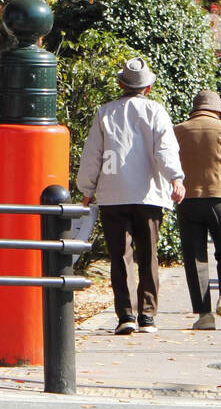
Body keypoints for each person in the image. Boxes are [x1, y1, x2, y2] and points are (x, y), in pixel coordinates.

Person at [77, 56, 185, 336]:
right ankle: (147, 316)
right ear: (147, 88)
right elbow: (165, 150)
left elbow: (93, 155)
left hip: (113, 194)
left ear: (120, 83)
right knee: (148, 256)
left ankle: (126, 315)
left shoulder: (106, 113)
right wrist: (176, 177)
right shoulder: (156, 112)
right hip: (149, 195)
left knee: (120, 257)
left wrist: (86, 189)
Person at [173, 89, 221, 330]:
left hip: (189, 200)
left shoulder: (178, 130)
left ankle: (204, 315)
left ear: (194, 109)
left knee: (195, 257)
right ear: (218, 110)